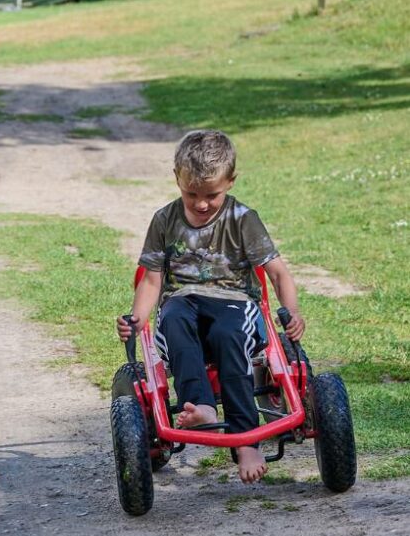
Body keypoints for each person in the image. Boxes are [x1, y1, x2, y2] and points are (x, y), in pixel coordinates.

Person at [116, 129, 305, 484]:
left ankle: (246, 440)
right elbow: (152, 280)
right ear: (177, 178)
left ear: (230, 182)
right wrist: (136, 318)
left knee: (229, 334)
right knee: (174, 322)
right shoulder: (164, 220)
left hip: (234, 302)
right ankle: (201, 405)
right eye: (191, 194)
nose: (201, 204)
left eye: (211, 195)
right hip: (181, 301)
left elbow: (278, 274)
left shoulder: (243, 219)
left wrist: (292, 312)